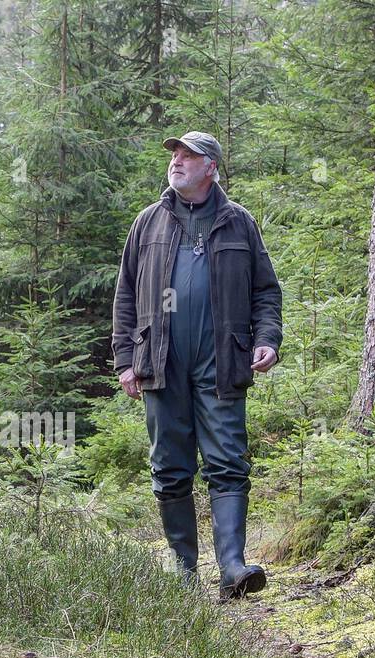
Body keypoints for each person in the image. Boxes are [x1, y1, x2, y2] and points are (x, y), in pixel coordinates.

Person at [110, 131, 283, 599]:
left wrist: (267, 339)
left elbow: (265, 291)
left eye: (189, 156)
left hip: (221, 360)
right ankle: (182, 573)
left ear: (212, 167)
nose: (178, 162)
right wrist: (125, 359)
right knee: (169, 465)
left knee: (228, 462)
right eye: (175, 155)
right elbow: (125, 293)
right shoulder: (148, 223)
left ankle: (232, 568)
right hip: (160, 360)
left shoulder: (238, 222)